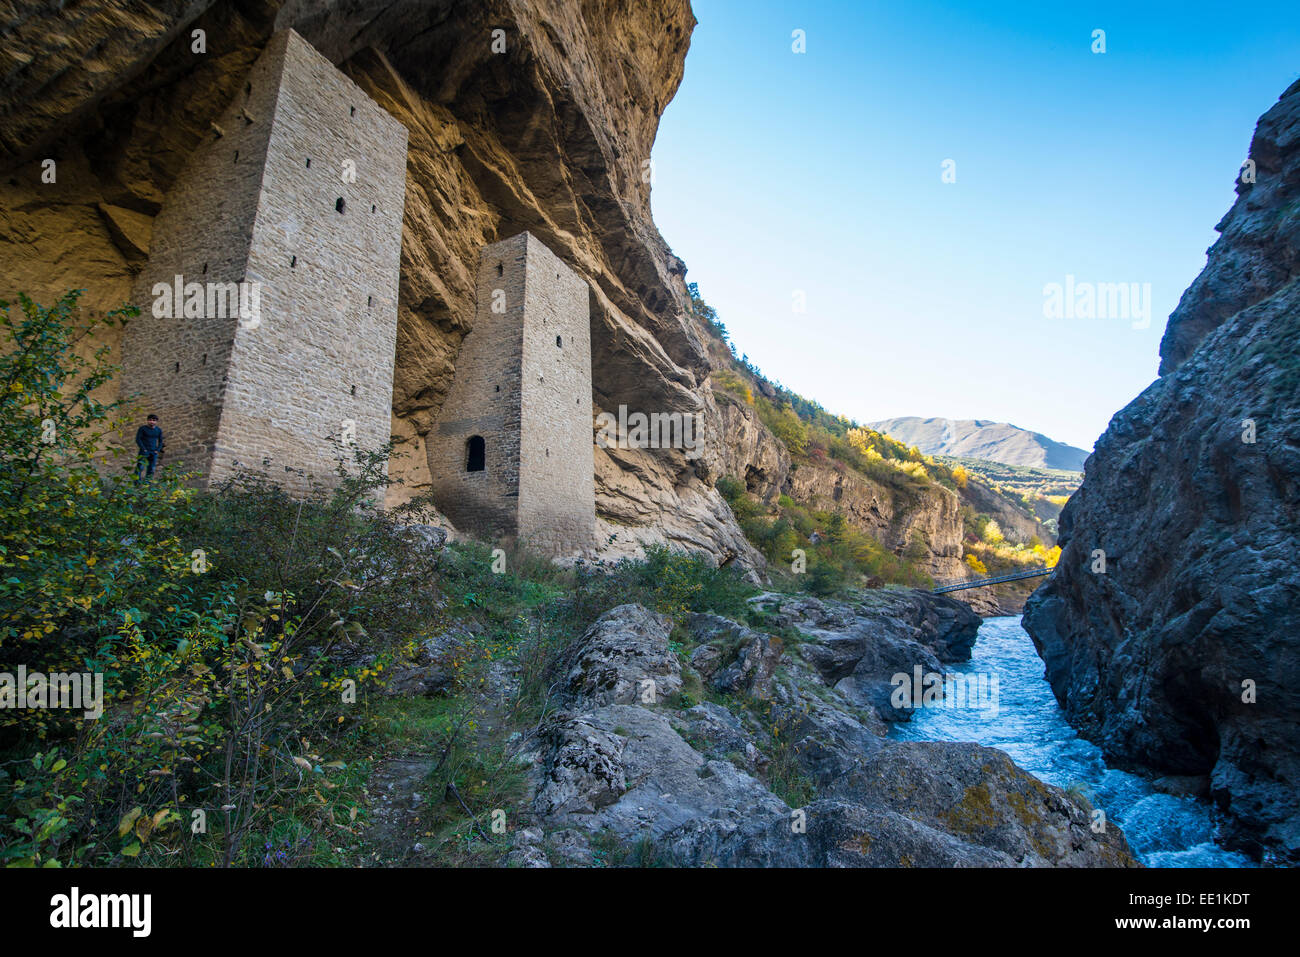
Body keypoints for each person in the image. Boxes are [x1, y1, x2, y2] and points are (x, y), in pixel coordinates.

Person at [135, 414, 165, 481]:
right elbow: (138, 439)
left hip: (153, 452)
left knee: (151, 469)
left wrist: (157, 450)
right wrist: (144, 449)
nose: (152, 422)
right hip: (144, 452)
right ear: (147, 420)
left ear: (156, 421)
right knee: (139, 468)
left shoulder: (158, 430)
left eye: (154, 420)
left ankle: (147, 485)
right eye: (150, 420)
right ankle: (136, 485)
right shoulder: (142, 428)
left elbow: (160, 441)